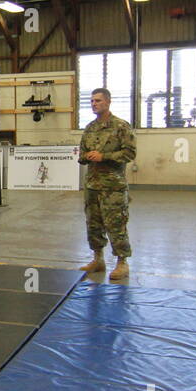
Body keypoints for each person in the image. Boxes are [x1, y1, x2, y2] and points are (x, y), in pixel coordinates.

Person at [78, 87, 136, 281]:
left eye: (98, 100)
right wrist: (87, 156)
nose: (94, 104)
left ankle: (122, 262)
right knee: (93, 224)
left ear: (108, 102)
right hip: (92, 185)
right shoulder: (89, 128)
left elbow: (129, 153)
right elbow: (81, 154)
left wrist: (104, 156)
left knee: (116, 224)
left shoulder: (121, 126)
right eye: (92, 101)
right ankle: (98, 259)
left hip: (113, 187)